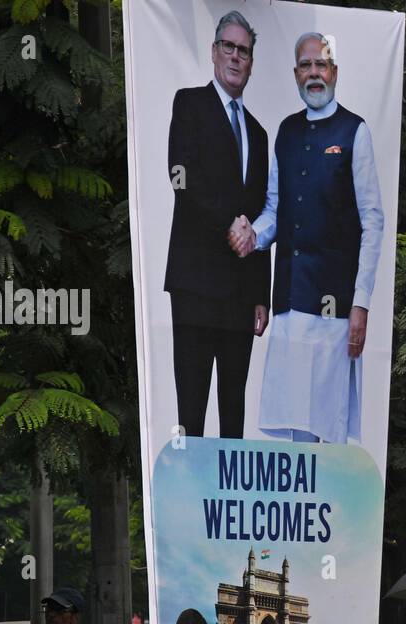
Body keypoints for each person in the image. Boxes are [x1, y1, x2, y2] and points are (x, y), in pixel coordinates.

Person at [232, 32, 384, 444]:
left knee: (330, 434)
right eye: (306, 65)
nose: (314, 73)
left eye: (321, 65)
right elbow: (274, 211)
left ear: (334, 72)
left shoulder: (356, 131)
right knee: (297, 435)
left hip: (335, 309)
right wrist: (253, 234)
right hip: (290, 301)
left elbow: (373, 221)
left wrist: (361, 303)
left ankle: (332, 510)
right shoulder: (286, 131)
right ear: (296, 74)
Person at [164, 10, 271, 439]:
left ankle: (229, 506)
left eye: (243, 50)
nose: (235, 56)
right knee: (190, 416)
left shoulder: (260, 135)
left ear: (251, 61)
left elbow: (264, 213)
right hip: (194, 284)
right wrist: (228, 223)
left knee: (233, 421)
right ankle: (188, 505)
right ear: (213, 52)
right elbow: (180, 177)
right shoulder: (189, 103)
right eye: (228, 46)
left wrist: (261, 294)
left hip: (240, 296)